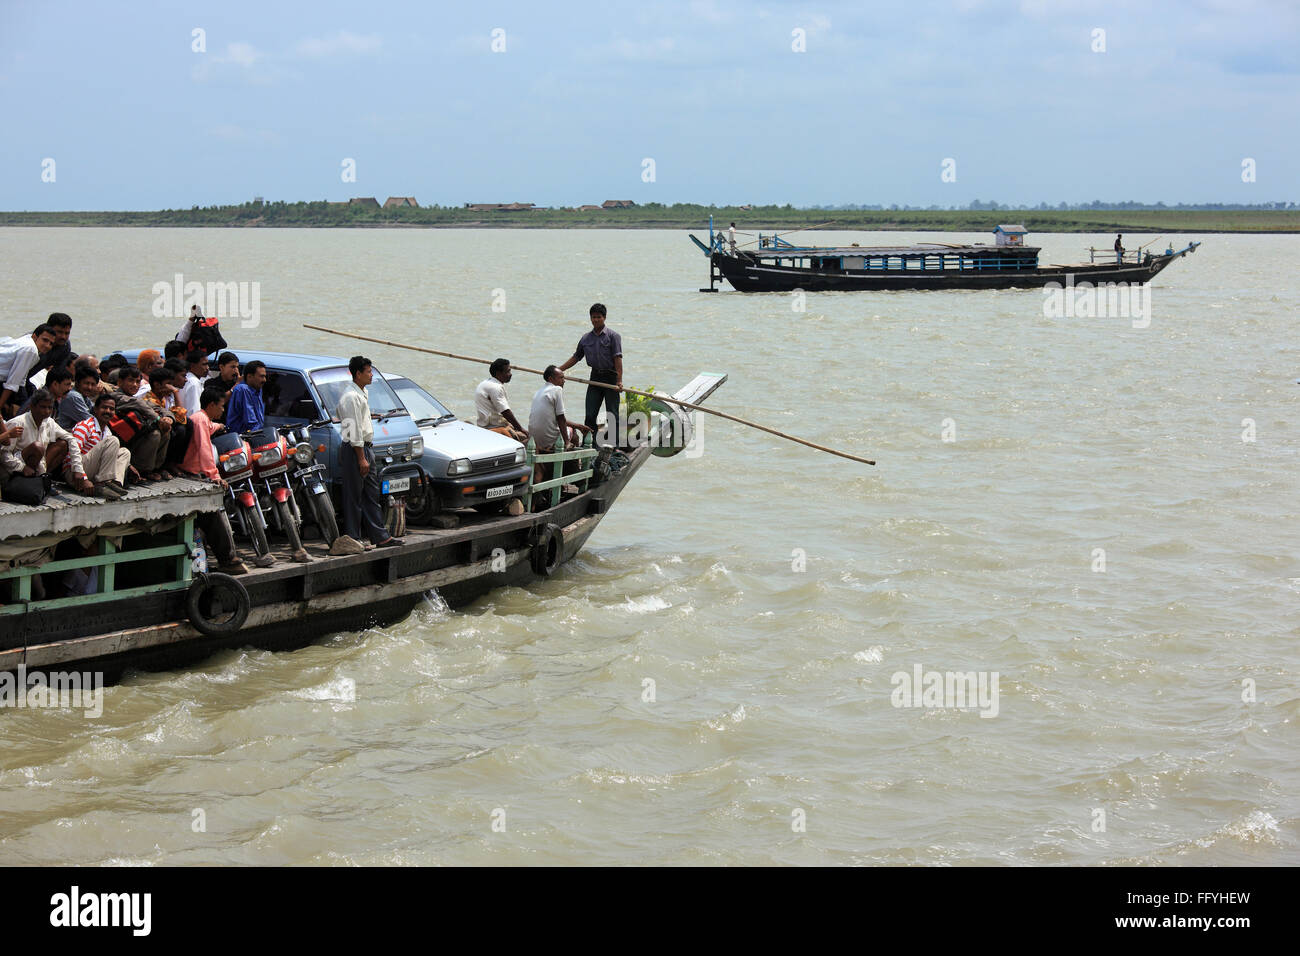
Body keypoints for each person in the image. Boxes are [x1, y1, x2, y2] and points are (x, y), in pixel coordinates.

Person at [182, 387, 257, 573]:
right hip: (190, 475)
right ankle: (226, 560)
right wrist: (214, 476)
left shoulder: (203, 419)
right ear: (212, 405)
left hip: (194, 475)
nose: (223, 410)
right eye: (221, 406)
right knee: (210, 515)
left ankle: (222, 560)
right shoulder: (200, 421)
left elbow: (211, 426)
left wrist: (220, 426)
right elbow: (205, 450)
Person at [333, 356, 402, 553]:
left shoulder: (362, 393)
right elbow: (353, 431)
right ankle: (353, 537)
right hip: (356, 449)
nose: (371, 375)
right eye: (368, 372)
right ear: (358, 374)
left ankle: (379, 536)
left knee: (371, 493)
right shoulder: (350, 397)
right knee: (354, 496)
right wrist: (361, 457)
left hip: (366, 448)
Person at [0, 388, 93, 495]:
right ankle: (32, 484)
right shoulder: (18, 423)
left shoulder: (48, 422)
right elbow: (4, 454)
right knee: (37, 447)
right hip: (14, 471)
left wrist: (78, 469)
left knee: (63, 444)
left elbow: (71, 439)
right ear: (32, 407)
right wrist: (22, 467)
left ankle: (41, 481)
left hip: (37, 468)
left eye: (50, 408)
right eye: (43, 407)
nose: (47, 411)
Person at [557, 302, 623, 448]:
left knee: (612, 414)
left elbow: (617, 359)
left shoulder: (613, 336)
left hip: (611, 377)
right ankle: (590, 444)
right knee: (590, 413)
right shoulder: (586, 338)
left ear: (604, 318)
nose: (596, 320)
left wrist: (619, 381)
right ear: (590, 318)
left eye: (599, 317)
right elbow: (576, 357)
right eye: (593, 317)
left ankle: (614, 445)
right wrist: (558, 370)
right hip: (595, 378)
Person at [528, 365, 591, 505]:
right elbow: (561, 418)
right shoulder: (557, 390)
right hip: (550, 437)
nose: (564, 380)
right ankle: (575, 470)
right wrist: (568, 441)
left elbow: (555, 418)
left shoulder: (539, 391)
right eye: (561, 377)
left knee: (572, 428)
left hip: (536, 438)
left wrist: (577, 425)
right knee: (574, 435)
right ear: (551, 378)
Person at [109, 365, 171, 481]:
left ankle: (155, 468)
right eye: (131, 381)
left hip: (133, 439)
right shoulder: (115, 397)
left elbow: (159, 408)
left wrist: (167, 418)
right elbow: (138, 404)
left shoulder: (135, 398)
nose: (135, 385)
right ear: (120, 382)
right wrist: (158, 419)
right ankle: (143, 470)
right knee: (155, 434)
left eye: (138, 382)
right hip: (120, 441)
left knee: (166, 431)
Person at [69, 392, 131, 499]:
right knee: (113, 441)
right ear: (96, 409)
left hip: (91, 471)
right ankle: (103, 484)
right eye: (104, 408)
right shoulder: (85, 426)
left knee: (124, 452)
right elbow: (72, 454)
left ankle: (114, 484)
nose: (108, 411)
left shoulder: (107, 431)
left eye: (111, 409)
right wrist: (83, 478)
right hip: (75, 473)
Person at [0, 323, 57, 417]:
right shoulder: (31, 350)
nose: (47, 346)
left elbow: (20, 381)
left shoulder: (26, 339)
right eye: (45, 340)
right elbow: (12, 383)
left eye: (51, 343)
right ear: (34, 337)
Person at [475, 358, 528, 441]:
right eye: (507, 371)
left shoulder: (485, 383)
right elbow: (505, 412)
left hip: (484, 425)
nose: (510, 374)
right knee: (528, 438)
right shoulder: (496, 387)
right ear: (498, 373)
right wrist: (521, 429)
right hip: (493, 427)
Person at [224, 360, 266, 435]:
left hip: (253, 435)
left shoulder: (258, 389)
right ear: (249, 376)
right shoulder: (243, 390)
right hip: (242, 438)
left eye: (265, 376)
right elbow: (251, 422)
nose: (264, 380)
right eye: (261, 376)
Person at [58, 362, 101, 430]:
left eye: (93, 384)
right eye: (86, 383)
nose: (89, 387)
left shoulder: (85, 397)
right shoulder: (74, 396)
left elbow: (95, 410)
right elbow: (90, 422)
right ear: (77, 382)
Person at [178, 350, 208, 417]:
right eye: (204, 364)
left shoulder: (187, 379)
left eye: (207, 364)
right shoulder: (194, 383)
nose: (207, 368)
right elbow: (194, 412)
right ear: (192, 366)